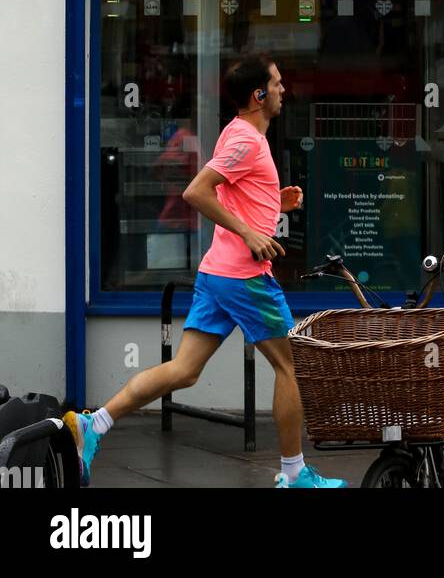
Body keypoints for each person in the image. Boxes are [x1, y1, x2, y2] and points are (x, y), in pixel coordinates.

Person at [63, 53, 346, 489]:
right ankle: (295, 475)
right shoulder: (246, 141)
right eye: (277, 84)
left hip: (218, 275)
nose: (283, 90)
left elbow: (230, 193)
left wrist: (275, 204)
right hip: (243, 277)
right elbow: (197, 192)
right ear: (258, 94)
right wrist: (252, 236)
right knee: (294, 367)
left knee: (185, 370)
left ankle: (94, 424)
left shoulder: (241, 135)